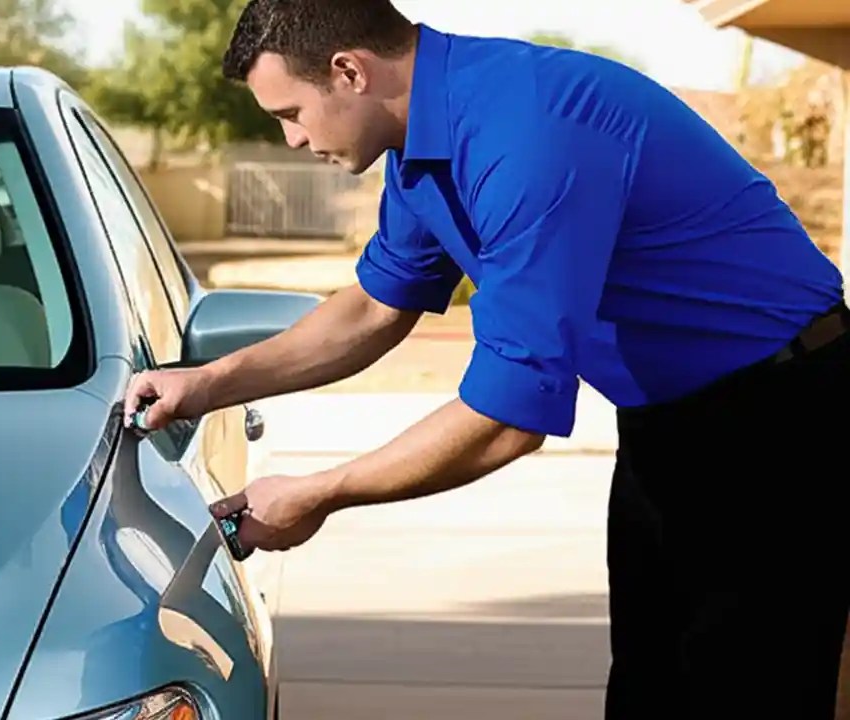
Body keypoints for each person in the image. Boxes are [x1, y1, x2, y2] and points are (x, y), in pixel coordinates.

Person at [122, 0, 849, 717]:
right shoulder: (420, 147)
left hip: (782, 420)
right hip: (670, 422)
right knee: (650, 689)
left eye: (289, 113)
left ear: (349, 72)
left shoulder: (523, 133)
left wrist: (322, 493)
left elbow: (509, 417)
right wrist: (206, 384)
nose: (290, 141)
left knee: (748, 691)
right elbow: (373, 310)